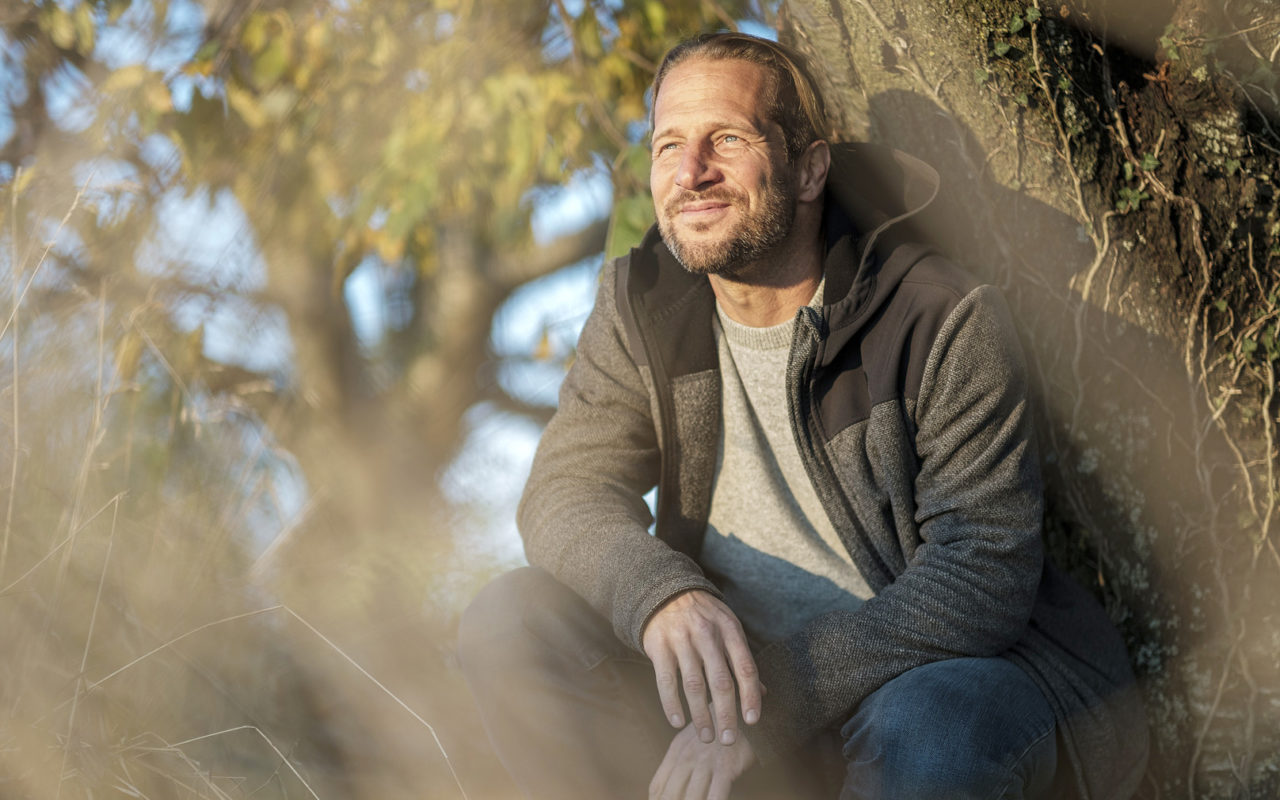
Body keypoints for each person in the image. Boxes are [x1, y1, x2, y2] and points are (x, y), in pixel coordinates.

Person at [459, 32, 1148, 800]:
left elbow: (980, 575)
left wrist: (772, 703)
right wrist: (658, 593)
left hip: (925, 678)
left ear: (810, 168)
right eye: (668, 146)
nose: (691, 174)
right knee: (511, 623)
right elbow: (564, 492)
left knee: (933, 730)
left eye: (726, 139)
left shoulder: (937, 314)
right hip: (734, 697)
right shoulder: (640, 303)